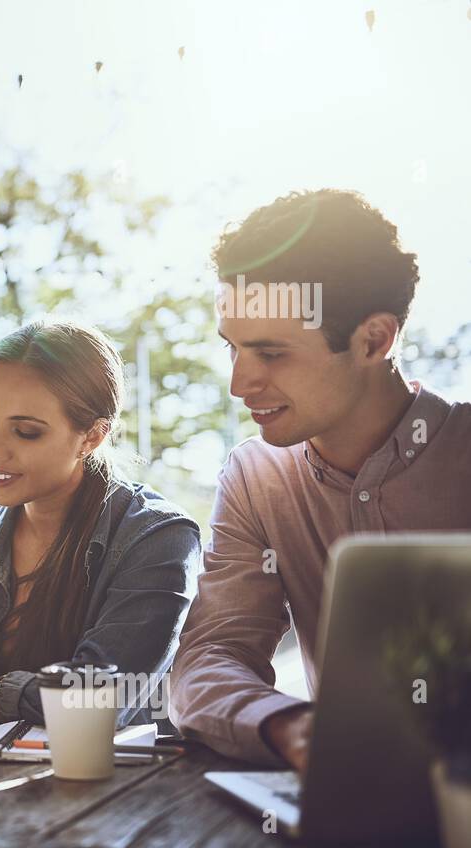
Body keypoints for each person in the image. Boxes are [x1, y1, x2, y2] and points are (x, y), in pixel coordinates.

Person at [169, 189, 471, 769]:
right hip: (349, 809)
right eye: (231, 347)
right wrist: (286, 724)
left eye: (271, 354)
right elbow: (212, 654)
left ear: (374, 340)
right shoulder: (257, 477)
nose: (239, 384)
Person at [0, 320, 201, 727]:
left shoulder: (158, 539)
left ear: (92, 436)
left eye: (26, 432)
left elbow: (103, 702)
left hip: (119, 783)